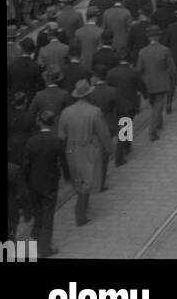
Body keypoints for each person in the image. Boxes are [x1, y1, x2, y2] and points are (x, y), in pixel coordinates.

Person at [57, 78, 112, 226]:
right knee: (87, 181)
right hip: (88, 149)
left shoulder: (66, 112)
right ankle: (80, 214)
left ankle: (82, 208)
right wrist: (109, 148)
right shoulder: (95, 112)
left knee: (78, 179)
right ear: (88, 94)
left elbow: (61, 134)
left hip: (71, 149)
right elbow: (103, 133)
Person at [22, 110, 69, 256]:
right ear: (53, 122)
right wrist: (67, 177)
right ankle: (45, 248)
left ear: (39, 122)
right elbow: (63, 161)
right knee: (48, 215)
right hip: (50, 183)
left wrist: (24, 183)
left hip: (34, 184)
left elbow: (26, 165)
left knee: (38, 213)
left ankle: (34, 240)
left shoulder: (31, 141)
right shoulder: (57, 141)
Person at [137, 25, 177, 141]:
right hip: (162, 83)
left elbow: (138, 70)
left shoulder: (142, 52)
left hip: (148, 85)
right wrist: (174, 81)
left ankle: (159, 122)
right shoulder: (165, 50)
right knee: (157, 108)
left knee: (154, 106)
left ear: (148, 37)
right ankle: (152, 132)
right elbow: (172, 69)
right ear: (158, 36)